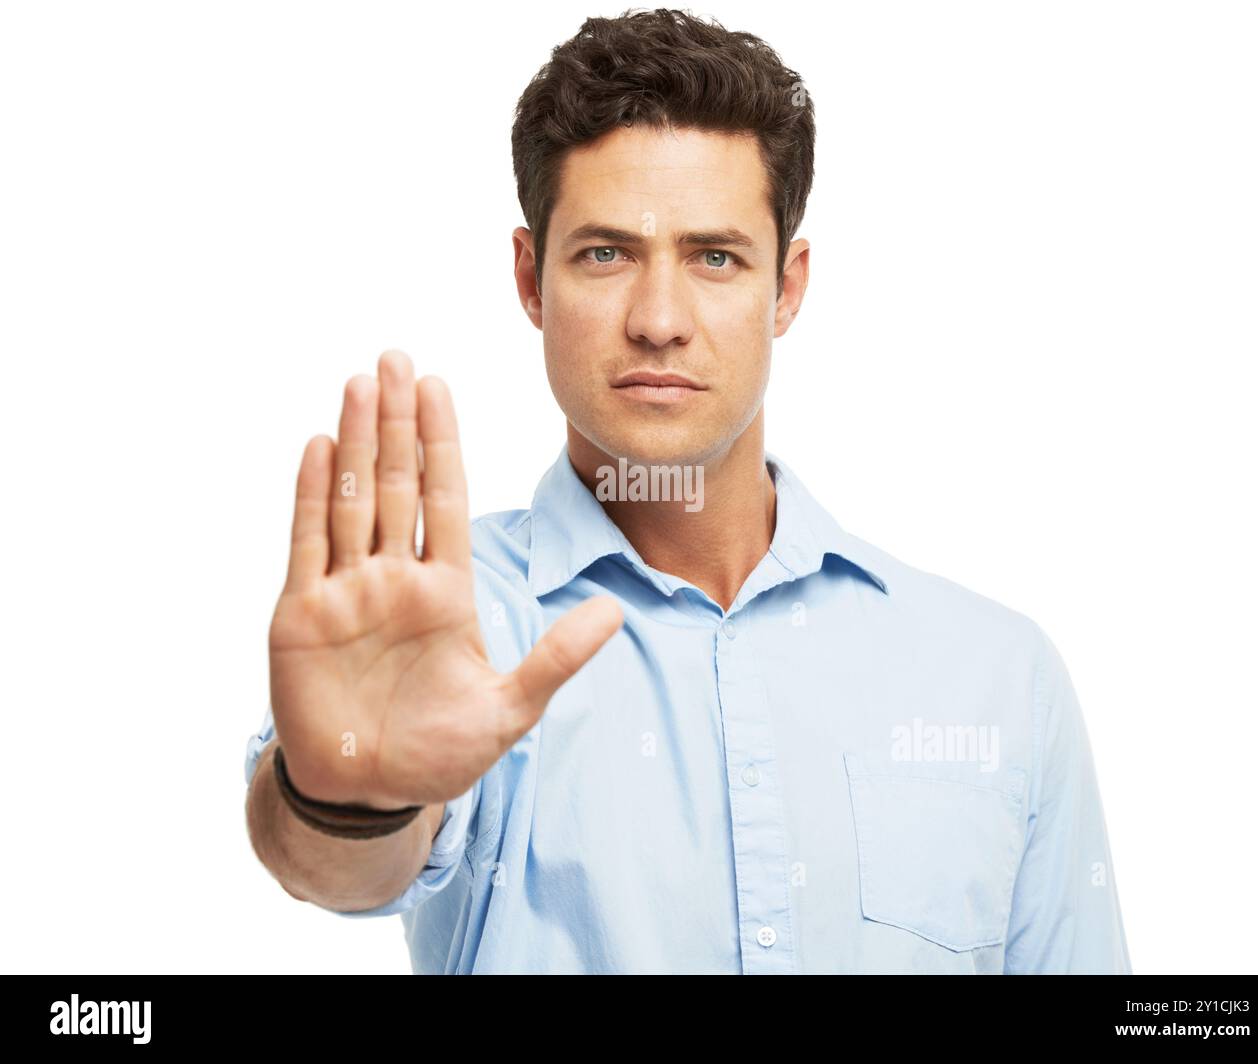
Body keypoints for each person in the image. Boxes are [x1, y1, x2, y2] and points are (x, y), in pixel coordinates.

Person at [243, 7, 1131, 974]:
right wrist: (343, 799)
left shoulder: (994, 673)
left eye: (715, 257)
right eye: (606, 253)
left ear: (786, 287)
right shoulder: (455, 630)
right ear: (531, 278)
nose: (659, 320)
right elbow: (334, 866)